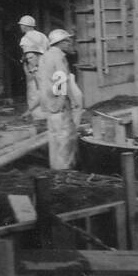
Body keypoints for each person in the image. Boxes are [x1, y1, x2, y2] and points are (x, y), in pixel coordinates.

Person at [36, 29, 84, 170]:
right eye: (67, 41)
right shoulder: (59, 57)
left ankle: (56, 168)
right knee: (65, 138)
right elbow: (61, 81)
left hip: (49, 104)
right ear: (60, 43)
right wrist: (67, 101)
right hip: (59, 105)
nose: (70, 44)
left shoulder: (45, 57)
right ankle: (65, 170)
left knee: (54, 137)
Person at [17, 15, 49, 118]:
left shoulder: (26, 38)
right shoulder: (42, 36)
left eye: (21, 25)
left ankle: (36, 116)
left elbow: (30, 56)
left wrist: (33, 69)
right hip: (45, 66)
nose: (20, 27)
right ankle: (45, 115)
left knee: (33, 92)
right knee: (44, 91)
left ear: (25, 26)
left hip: (35, 69)